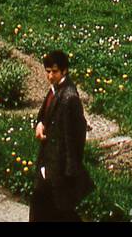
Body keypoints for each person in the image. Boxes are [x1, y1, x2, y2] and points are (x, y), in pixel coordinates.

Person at [29, 51, 94, 223]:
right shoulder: (54, 90)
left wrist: (70, 170)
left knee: (60, 210)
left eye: (55, 72)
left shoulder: (69, 97)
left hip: (59, 167)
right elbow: (45, 114)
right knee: (44, 205)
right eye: (48, 71)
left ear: (64, 71)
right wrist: (40, 123)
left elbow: (76, 136)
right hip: (48, 162)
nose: (50, 76)